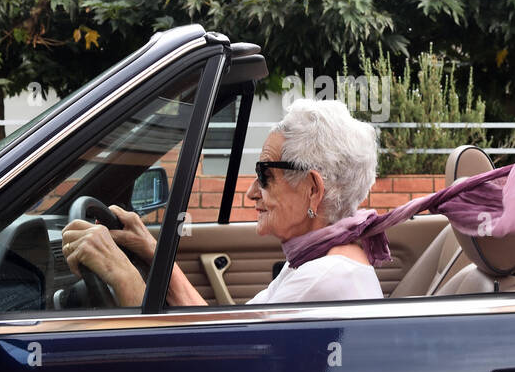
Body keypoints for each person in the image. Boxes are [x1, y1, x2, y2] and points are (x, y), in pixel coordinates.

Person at [61, 98, 383, 307]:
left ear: (313, 189)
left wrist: (120, 273)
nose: (251, 192)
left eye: (265, 175)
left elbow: (202, 370)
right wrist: (150, 249)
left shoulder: (321, 281)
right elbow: (223, 334)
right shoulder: (315, 262)